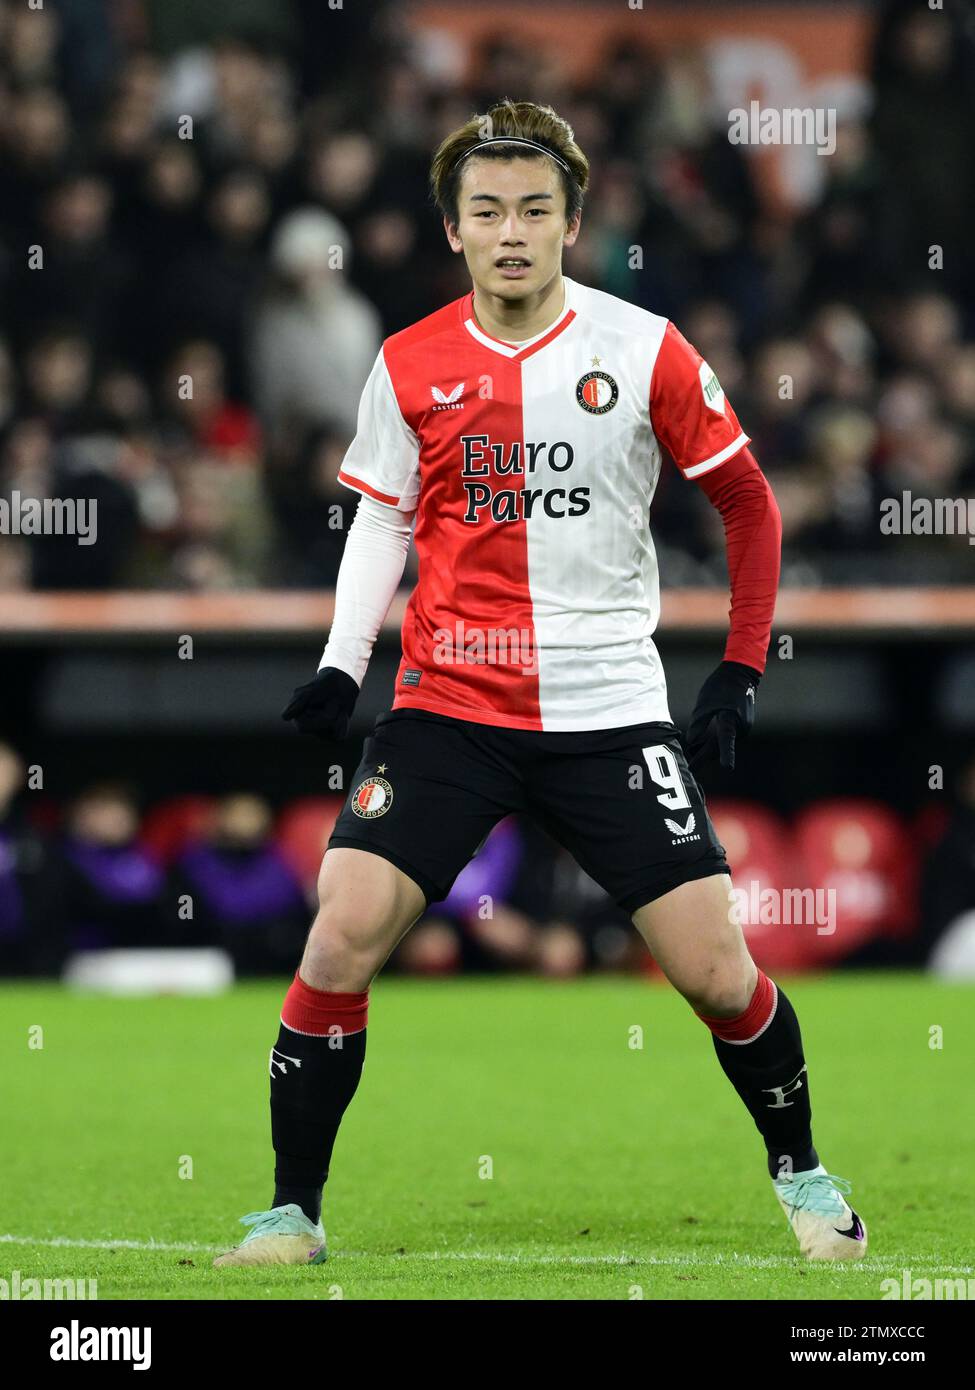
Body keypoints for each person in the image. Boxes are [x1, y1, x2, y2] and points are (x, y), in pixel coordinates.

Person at [214, 100, 866, 1269]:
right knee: (338, 940)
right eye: (485, 211)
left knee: (721, 975)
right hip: (449, 705)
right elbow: (380, 519)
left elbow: (750, 503)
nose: (509, 231)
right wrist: (337, 664)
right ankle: (291, 1215)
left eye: (533, 210)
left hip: (610, 709)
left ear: (572, 223)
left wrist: (738, 668)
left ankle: (806, 1177)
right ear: (454, 230)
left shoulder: (644, 347)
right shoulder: (408, 359)